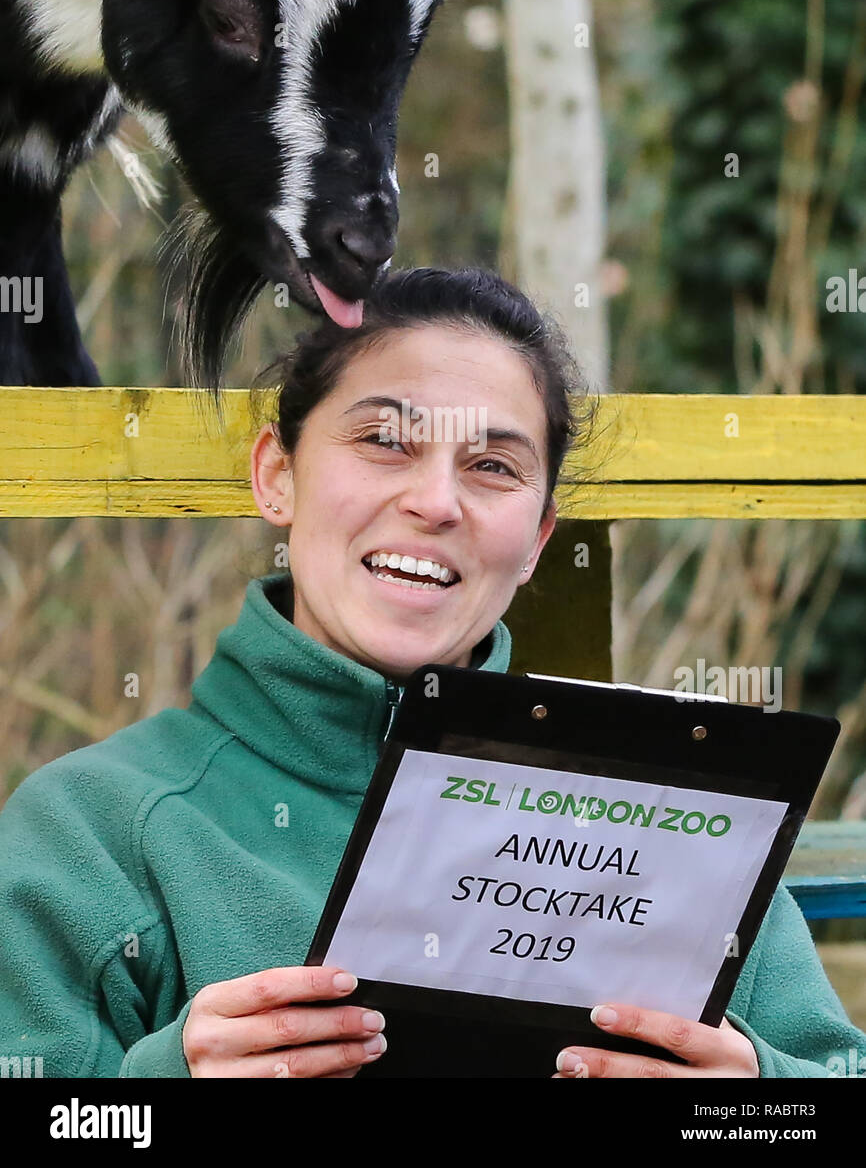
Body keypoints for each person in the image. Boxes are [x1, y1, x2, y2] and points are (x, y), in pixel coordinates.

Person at [0, 265, 863, 1079]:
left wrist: (759, 1102)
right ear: (277, 475)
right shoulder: (89, 830)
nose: (437, 502)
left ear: (535, 541)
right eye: (385, 440)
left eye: (493, 466)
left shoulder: (674, 817)